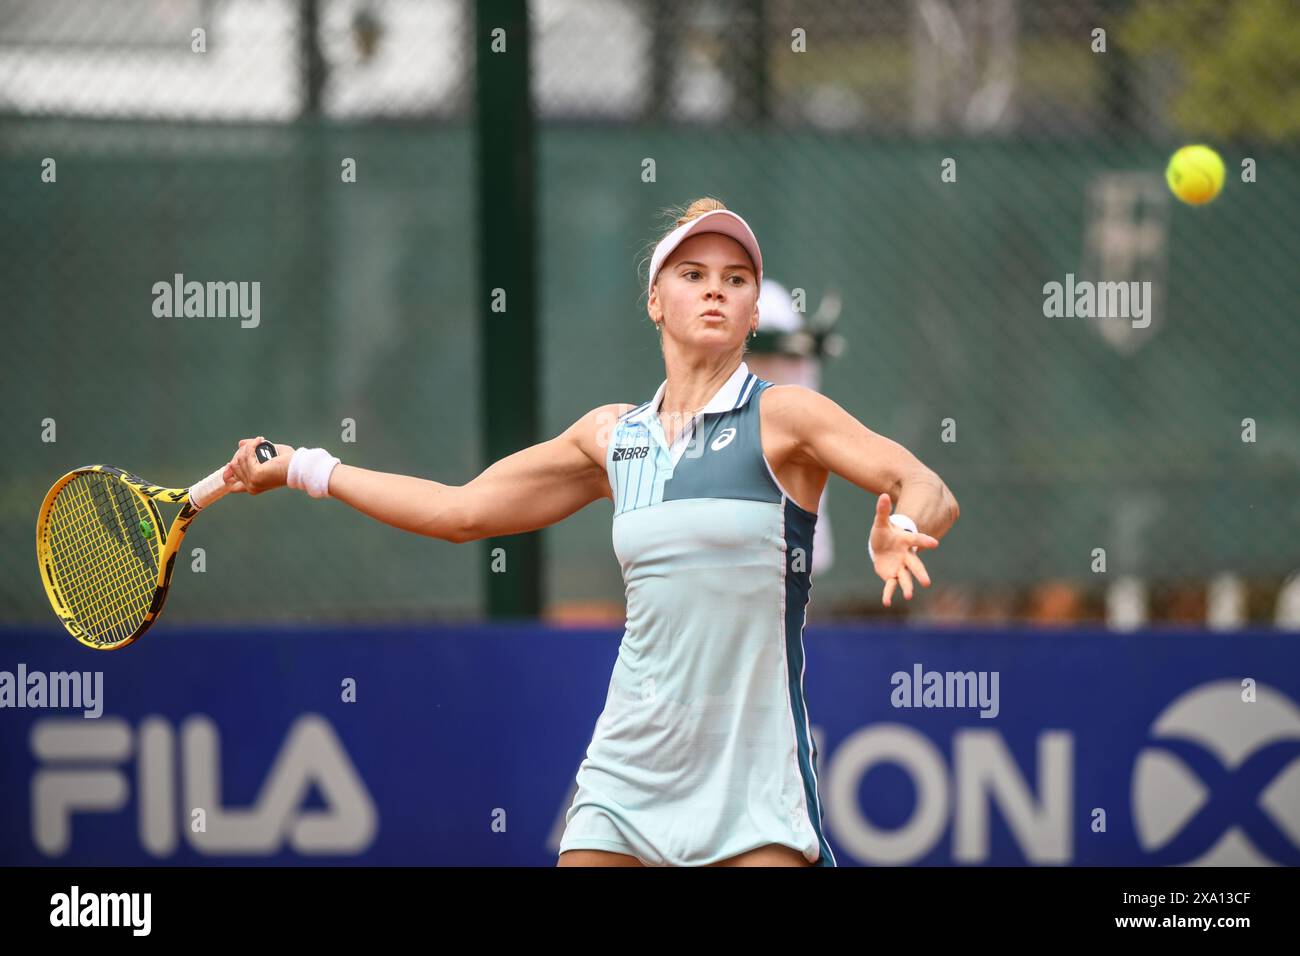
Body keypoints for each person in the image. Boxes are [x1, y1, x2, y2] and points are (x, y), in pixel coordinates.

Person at [222, 197, 960, 867]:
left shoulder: (788, 416)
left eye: (736, 279)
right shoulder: (612, 439)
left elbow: (928, 487)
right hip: (626, 774)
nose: (715, 288)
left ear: (749, 310)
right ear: (654, 300)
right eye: (693, 273)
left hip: (754, 780)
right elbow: (458, 512)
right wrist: (305, 467)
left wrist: (899, 522)